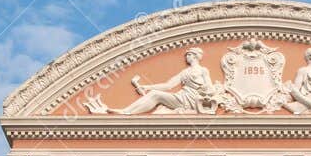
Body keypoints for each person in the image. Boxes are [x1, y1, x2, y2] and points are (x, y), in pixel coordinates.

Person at [86, 48, 219, 114]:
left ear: (196, 56)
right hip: (182, 97)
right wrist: (146, 87)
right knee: (155, 94)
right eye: (186, 55)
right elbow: (168, 85)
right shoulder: (184, 72)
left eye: (189, 54)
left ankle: (127, 112)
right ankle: (126, 112)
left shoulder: (203, 70)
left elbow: (210, 88)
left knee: (156, 95)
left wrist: (206, 91)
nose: (187, 57)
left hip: (194, 100)